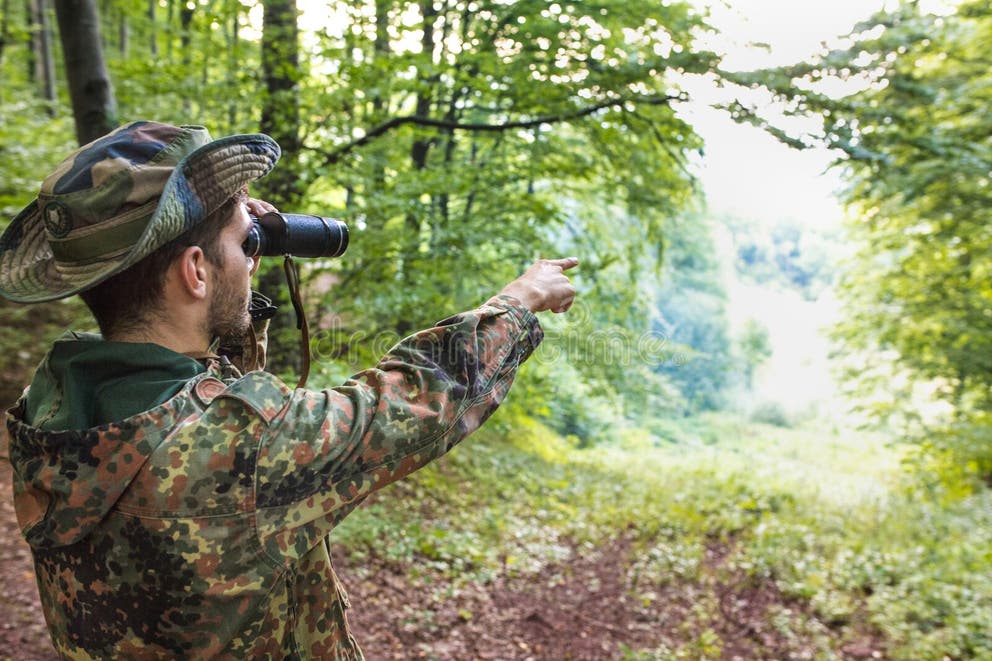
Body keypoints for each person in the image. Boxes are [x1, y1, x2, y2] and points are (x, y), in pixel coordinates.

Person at [0, 120, 577, 659]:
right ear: (196, 271)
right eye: (242, 245)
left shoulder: (49, 404)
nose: (252, 259)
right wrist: (517, 303)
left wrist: (228, 249)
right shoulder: (247, 450)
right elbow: (413, 401)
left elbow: (199, 391)